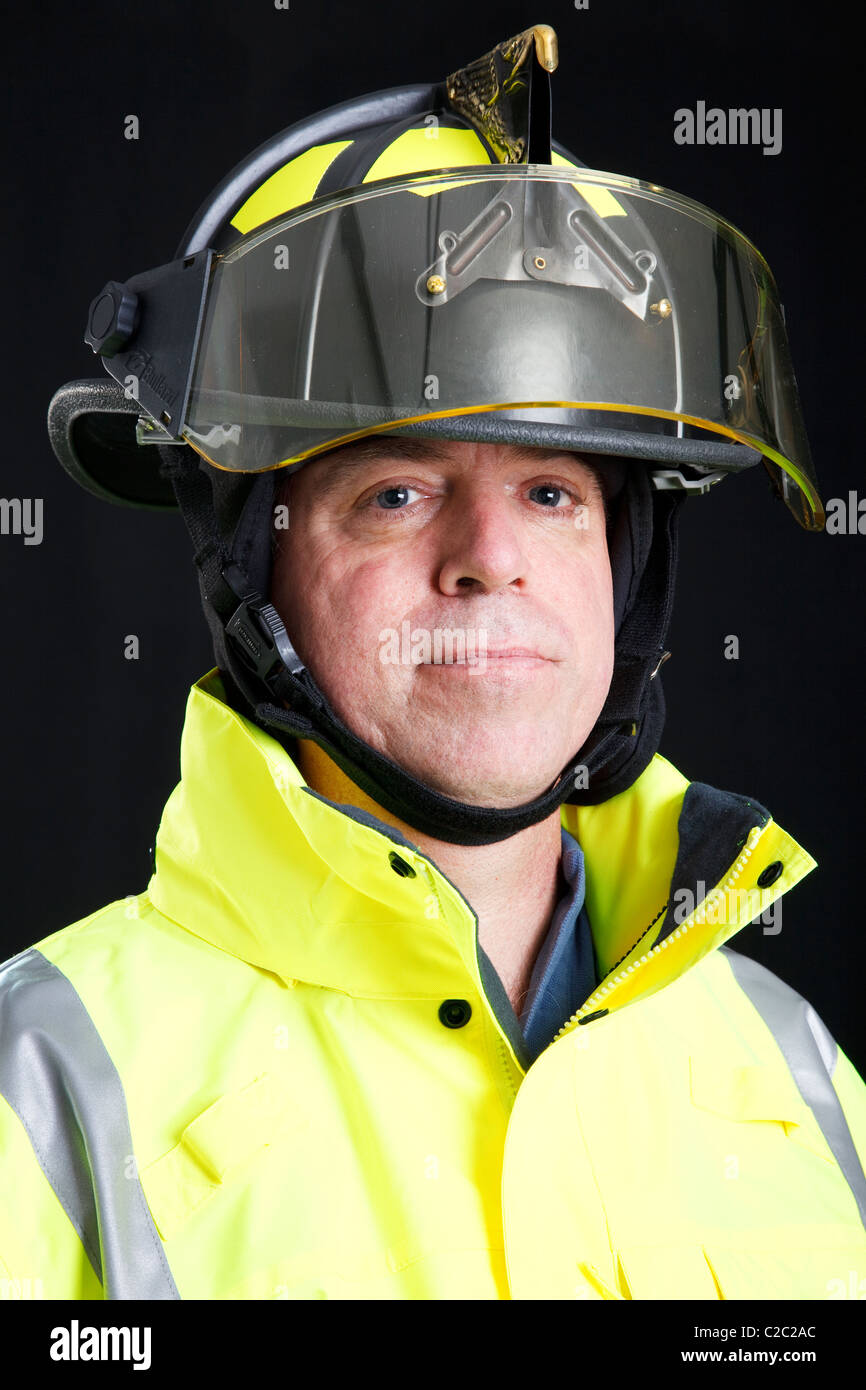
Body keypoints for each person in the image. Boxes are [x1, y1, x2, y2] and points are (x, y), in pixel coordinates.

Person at [3, 23, 865, 1300]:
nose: (487, 559)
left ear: (623, 568)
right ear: (257, 570)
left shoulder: (796, 1071)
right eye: (397, 492)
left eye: (553, 493)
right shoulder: (46, 1085)